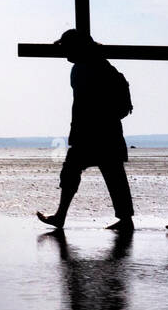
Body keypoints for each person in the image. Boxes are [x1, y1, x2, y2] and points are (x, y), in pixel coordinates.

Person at [37, 28, 135, 232]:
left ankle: (61, 216)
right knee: (114, 175)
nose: (64, 52)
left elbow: (86, 105)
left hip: (90, 133)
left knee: (73, 171)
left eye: (66, 47)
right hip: (108, 132)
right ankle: (125, 219)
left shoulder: (83, 68)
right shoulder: (103, 66)